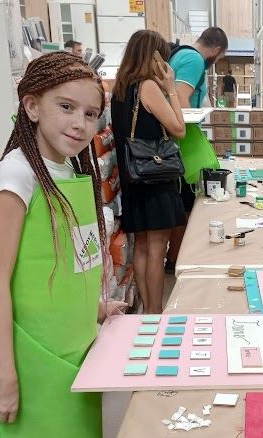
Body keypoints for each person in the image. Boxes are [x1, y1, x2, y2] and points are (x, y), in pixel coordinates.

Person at [0, 52, 108, 438]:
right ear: (31, 105)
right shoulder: (16, 175)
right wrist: (6, 376)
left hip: (77, 344)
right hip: (38, 355)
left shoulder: (72, 166)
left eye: (91, 113)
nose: (80, 123)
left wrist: (97, 305)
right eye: (66, 107)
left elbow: (70, 258)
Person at [112, 30, 186, 313]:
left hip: (133, 179)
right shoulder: (149, 87)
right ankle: (155, 313)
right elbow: (178, 128)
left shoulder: (121, 88)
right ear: (154, 57)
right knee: (157, 250)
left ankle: (147, 311)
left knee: (142, 248)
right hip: (154, 176)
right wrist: (169, 88)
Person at [166, 27, 229, 273]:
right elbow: (181, 98)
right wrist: (189, 124)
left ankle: (174, 257)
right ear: (216, 50)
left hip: (173, 137)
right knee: (187, 202)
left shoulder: (180, 54)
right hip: (182, 138)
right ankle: (177, 259)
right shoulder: (193, 59)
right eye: (220, 56)